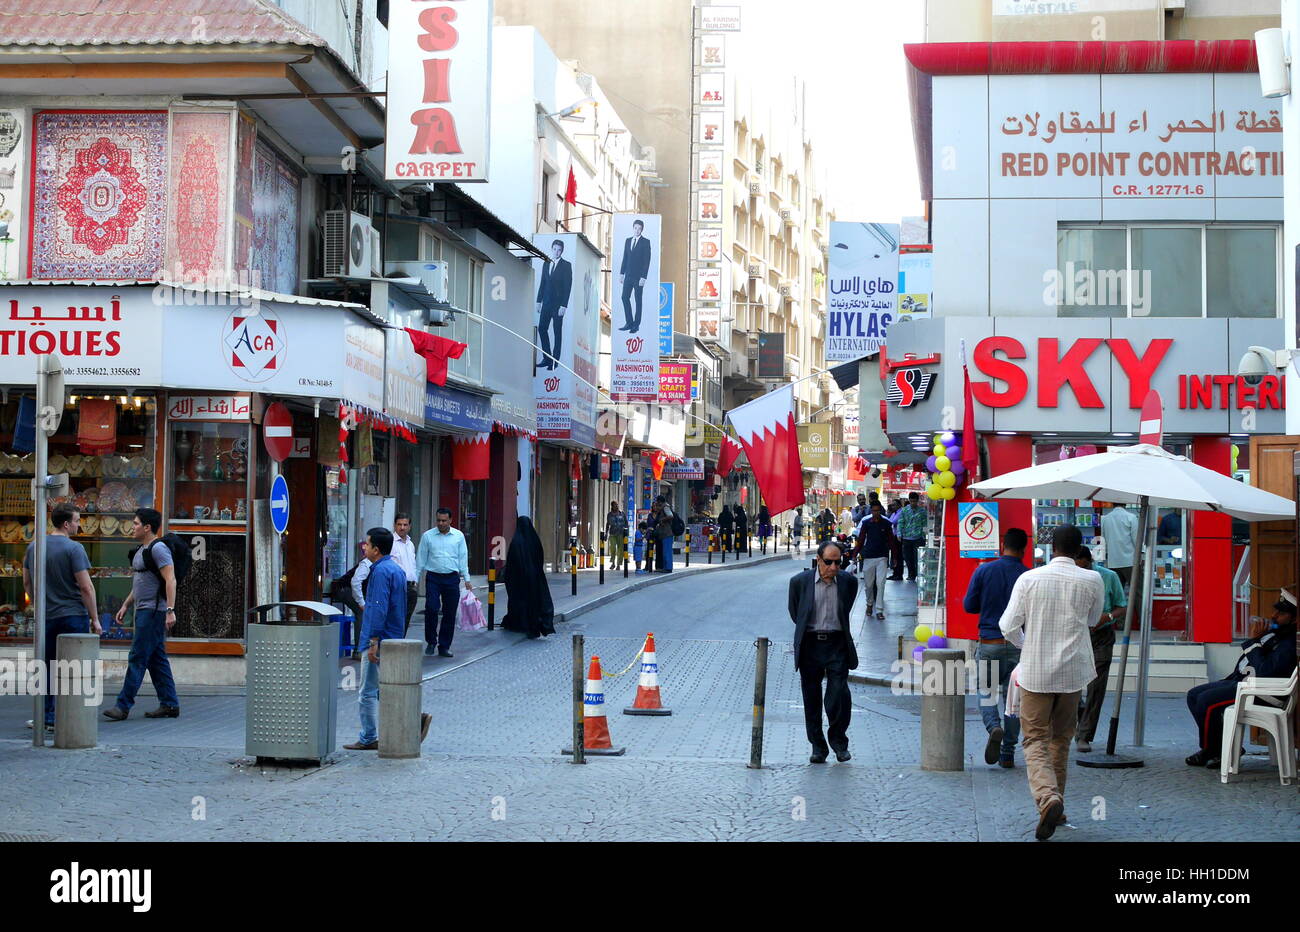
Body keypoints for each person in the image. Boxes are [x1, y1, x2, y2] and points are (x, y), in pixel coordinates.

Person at [998, 525, 1103, 841]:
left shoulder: (1029, 579)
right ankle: (1057, 803)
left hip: (1036, 672)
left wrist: (1025, 643)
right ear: (1078, 549)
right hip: (1073, 674)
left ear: (1051, 547)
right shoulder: (1092, 579)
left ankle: (1048, 798)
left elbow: (1007, 625)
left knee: (1034, 740)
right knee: (1060, 739)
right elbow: (1093, 620)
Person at [1183, 597, 1297, 768]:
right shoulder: (1275, 634)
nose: (1274, 616)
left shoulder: (1288, 643)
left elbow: (1265, 671)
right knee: (1193, 695)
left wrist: (1254, 641)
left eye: (1281, 614)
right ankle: (1217, 748)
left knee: (1207, 701)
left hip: (1262, 692)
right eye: (1275, 611)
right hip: (1243, 682)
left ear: (1294, 619)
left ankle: (1213, 750)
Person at [345, 527, 432, 751]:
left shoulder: (381, 572)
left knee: (367, 692)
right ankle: (413, 719)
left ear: (376, 549)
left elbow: (377, 607)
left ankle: (368, 737)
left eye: (368, 543)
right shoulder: (396, 570)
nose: (364, 547)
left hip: (378, 639)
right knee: (388, 687)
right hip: (393, 637)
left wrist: (373, 641)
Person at [23, 503, 102, 732]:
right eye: (77, 521)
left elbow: (27, 583)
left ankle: (47, 716)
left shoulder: (33, 547)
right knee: (73, 668)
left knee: (47, 667)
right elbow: (86, 587)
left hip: (47, 616)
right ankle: (71, 716)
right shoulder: (74, 549)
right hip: (73, 615)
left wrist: (39, 604)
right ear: (66, 524)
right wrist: (94, 618)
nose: (79, 525)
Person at [104, 509, 181, 722]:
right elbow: (141, 582)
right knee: (157, 660)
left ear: (147, 527)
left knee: (138, 657)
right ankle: (170, 704)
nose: (133, 526)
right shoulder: (142, 550)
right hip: (143, 610)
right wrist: (126, 604)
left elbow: (170, 580)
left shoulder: (159, 549)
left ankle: (123, 706)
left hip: (153, 612)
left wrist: (170, 610)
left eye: (136, 523)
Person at [963, 527, 1030, 768]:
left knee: (986, 692)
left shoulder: (984, 571)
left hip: (990, 642)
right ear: (1025, 549)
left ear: (1003, 544)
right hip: (1018, 646)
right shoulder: (1029, 576)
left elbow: (969, 606)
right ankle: (1008, 752)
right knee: (1013, 700)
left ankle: (994, 727)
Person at [788, 541, 860, 764]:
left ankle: (839, 743)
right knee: (812, 699)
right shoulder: (800, 582)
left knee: (837, 696)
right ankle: (818, 747)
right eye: (829, 562)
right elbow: (795, 612)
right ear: (818, 559)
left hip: (836, 644)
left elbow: (846, 607)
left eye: (838, 562)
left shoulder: (848, 582)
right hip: (810, 644)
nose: (834, 567)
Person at [1073, 545, 1127, 753]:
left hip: (1101, 635)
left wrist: (1109, 617)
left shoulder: (1109, 576)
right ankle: (1080, 716)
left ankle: (1085, 734)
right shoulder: (1069, 577)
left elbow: (1122, 606)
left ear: (1090, 562)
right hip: (1075, 634)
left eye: (1084, 567)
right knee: (1071, 683)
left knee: (1096, 687)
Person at [416, 507, 473, 658]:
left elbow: (463, 558)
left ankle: (444, 645)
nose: (441, 523)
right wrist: (415, 579)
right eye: (438, 520)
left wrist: (467, 579)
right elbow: (420, 559)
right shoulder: (428, 536)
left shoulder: (458, 536)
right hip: (433, 577)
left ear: (450, 520)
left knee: (449, 613)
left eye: (444, 521)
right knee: (431, 608)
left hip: (452, 578)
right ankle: (431, 641)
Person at [500, 517, 556, 640]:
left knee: (519, 602)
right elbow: (540, 557)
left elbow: (512, 564)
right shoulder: (534, 540)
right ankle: (535, 624)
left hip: (519, 580)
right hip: (535, 577)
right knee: (534, 601)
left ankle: (520, 623)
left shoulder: (516, 542)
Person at [852, 500, 894, 620]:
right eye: (873, 511)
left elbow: (891, 541)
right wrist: (855, 554)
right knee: (868, 585)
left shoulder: (886, 523)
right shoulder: (866, 523)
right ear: (871, 511)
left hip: (882, 556)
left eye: (877, 510)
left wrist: (894, 556)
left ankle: (879, 610)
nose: (875, 513)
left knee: (880, 583)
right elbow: (860, 540)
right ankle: (869, 604)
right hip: (869, 556)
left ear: (880, 510)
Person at [535, 239, 572, 371]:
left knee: (557, 332)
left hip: (558, 305)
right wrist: (538, 301)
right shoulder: (546, 263)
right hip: (546, 303)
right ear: (552, 249)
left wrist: (564, 305)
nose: (556, 252)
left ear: (562, 251)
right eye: (555, 249)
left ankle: (555, 361)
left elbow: (568, 286)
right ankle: (547, 358)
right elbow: (542, 283)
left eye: (559, 250)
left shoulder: (566, 265)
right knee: (542, 329)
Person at [618, 218, 652, 332]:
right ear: (633, 228)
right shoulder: (628, 240)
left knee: (638, 300)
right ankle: (629, 322)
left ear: (642, 230)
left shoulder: (646, 242)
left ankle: (636, 325)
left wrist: (644, 277)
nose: (637, 230)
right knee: (624, 297)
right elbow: (625, 257)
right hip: (628, 275)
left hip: (639, 277)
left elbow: (647, 261)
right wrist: (621, 273)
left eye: (639, 228)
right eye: (635, 228)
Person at [392, 513, 419, 635]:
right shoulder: (391, 543)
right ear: (394, 525)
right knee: (396, 620)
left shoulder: (410, 544)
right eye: (399, 524)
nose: (402, 527)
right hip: (398, 587)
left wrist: (415, 582)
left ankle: (400, 646)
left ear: (410, 526)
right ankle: (392, 647)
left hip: (411, 587)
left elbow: (412, 565)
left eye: (405, 524)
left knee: (406, 621)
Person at [1099, 504, 1138, 588]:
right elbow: (1137, 540)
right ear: (1125, 503)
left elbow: (1103, 540)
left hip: (1112, 561)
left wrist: (1103, 558)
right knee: (1136, 591)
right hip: (1130, 561)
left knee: (1116, 593)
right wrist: (1142, 556)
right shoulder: (1131, 517)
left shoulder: (1105, 519)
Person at [896, 492, 927, 581]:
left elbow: (925, 524)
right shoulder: (904, 510)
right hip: (906, 538)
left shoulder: (922, 511)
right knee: (907, 557)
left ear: (917, 501)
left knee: (917, 557)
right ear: (909, 500)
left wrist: (924, 535)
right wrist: (899, 533)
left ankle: (918, 574)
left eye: (914, 501)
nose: (913, 503)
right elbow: (900, 522)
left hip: (918, 538)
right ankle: (911, 574)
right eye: (911, 501)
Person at [351, 546, 373, 658]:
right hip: (345, 589)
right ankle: (358, 650)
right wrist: (361, 602)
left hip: (358, 590)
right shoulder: (367, 563)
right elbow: (355, 582)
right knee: (361, 613)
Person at [654, 495, 675, 572]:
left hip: (667, 533)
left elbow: (670, 516)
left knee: (667, 551)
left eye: (657, 501)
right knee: (665, 551)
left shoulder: (665, 507)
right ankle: (665, 567)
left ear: (660, 501)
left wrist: (662, 519)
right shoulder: (663, 508)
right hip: (664, 534)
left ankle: (668, 568)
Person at [606, 502, 629, 570]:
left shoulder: (622, 513)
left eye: (617, 505)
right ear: (612, 507)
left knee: (620, 549)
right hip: (612, 534)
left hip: (621, 533)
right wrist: (606, 533)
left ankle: (618, 564)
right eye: (615, 505)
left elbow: (626, 523)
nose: (616, 506)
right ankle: (613, 563)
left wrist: (626, 533)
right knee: (612, 548)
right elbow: (608, 524)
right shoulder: (609, 514)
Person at [886, 499, 904, 580]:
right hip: (894, 536)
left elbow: (892, 522)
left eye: (894, 505)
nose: (893, 506)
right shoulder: (894, 513)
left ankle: (898, 574)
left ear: (899, 505)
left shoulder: (901, 512)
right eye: (892, 505)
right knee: (894, 555)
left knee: (898, 556)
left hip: (899, 537)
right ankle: (895, 573)